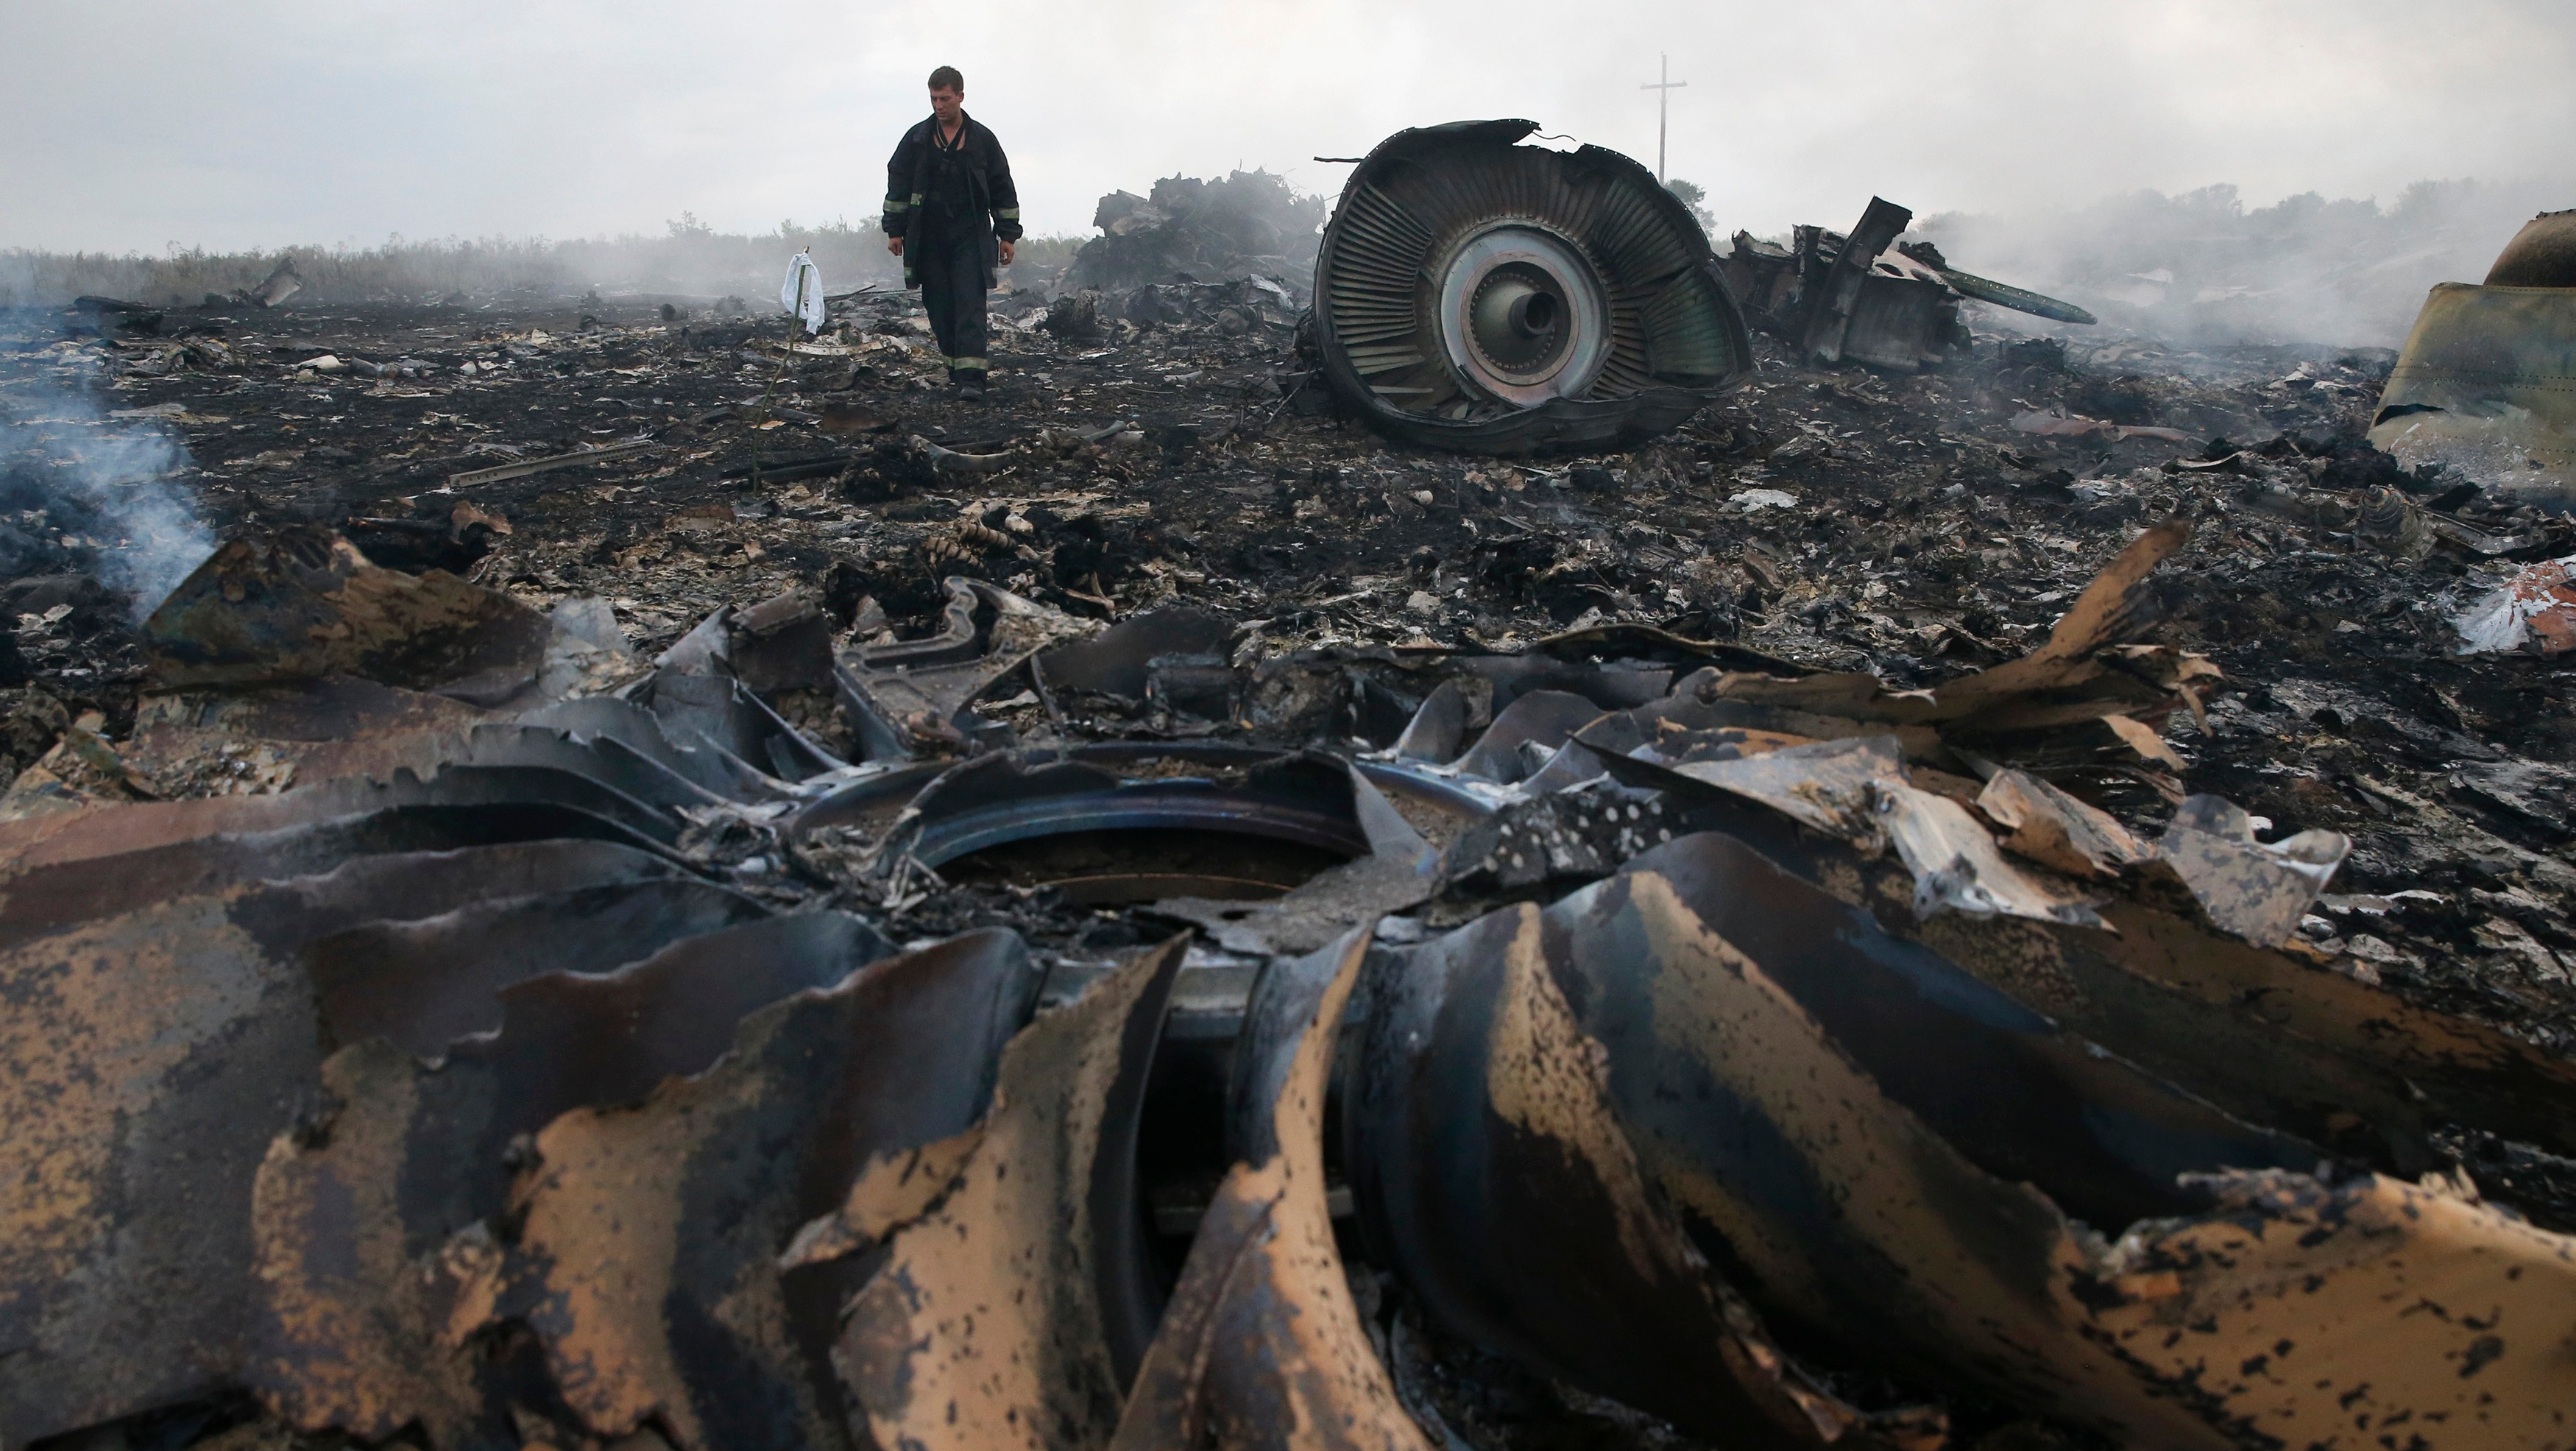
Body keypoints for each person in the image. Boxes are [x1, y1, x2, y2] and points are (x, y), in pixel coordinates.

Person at [883, 66, 1021, 401]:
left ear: (960, 96)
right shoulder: (916, 140)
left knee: (970, 304)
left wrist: (1007, 235)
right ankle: (954, 370)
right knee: (939, 306)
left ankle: (973, 379)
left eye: (945, 98)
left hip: (969, 236)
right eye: (933, 99)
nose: (939, 105)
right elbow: (898, 183)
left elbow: (1003, 186)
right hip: (928, 238)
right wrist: (894, 230)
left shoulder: (982, 141)